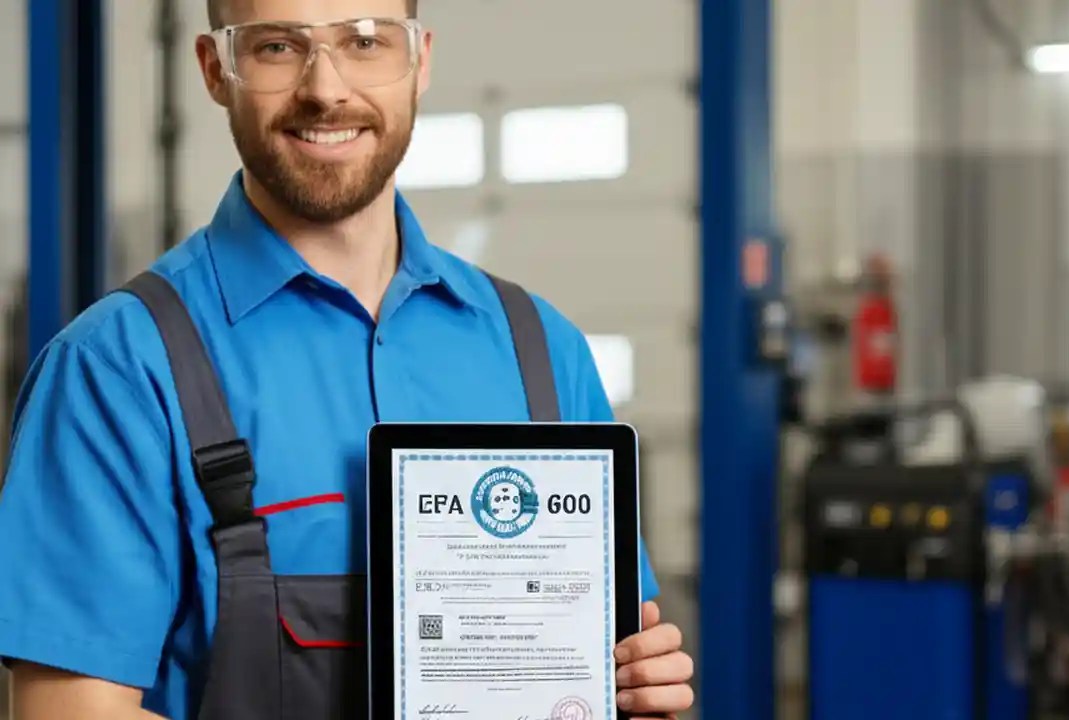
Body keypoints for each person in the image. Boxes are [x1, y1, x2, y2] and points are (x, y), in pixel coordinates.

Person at [0, 0, 695, 717]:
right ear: (215, 71)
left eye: (365, 41)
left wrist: (638, 691)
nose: (326, 89)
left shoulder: (542, 351)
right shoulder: (116, 368)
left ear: (420, 61)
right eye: (276, 46)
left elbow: (609, 663)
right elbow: (69, 711)